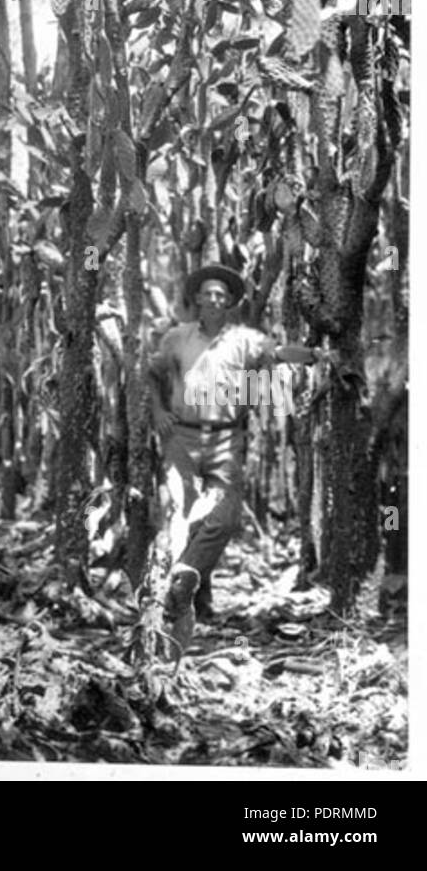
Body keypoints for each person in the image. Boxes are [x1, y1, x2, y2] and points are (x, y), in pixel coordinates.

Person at [147, 263, 322, 653]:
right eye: (208, 293)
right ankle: (189, 602)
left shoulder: (243, 340)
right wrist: (158, 412)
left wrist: (311, 354)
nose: (213, 299)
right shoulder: (176, 338)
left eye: (221, 296)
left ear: (229, 304)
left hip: (226, 439)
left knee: (223, 519)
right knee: (186, 517)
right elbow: (151, 374)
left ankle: (182, 578)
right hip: (183, 438)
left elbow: (276, 354)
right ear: (196, 299)